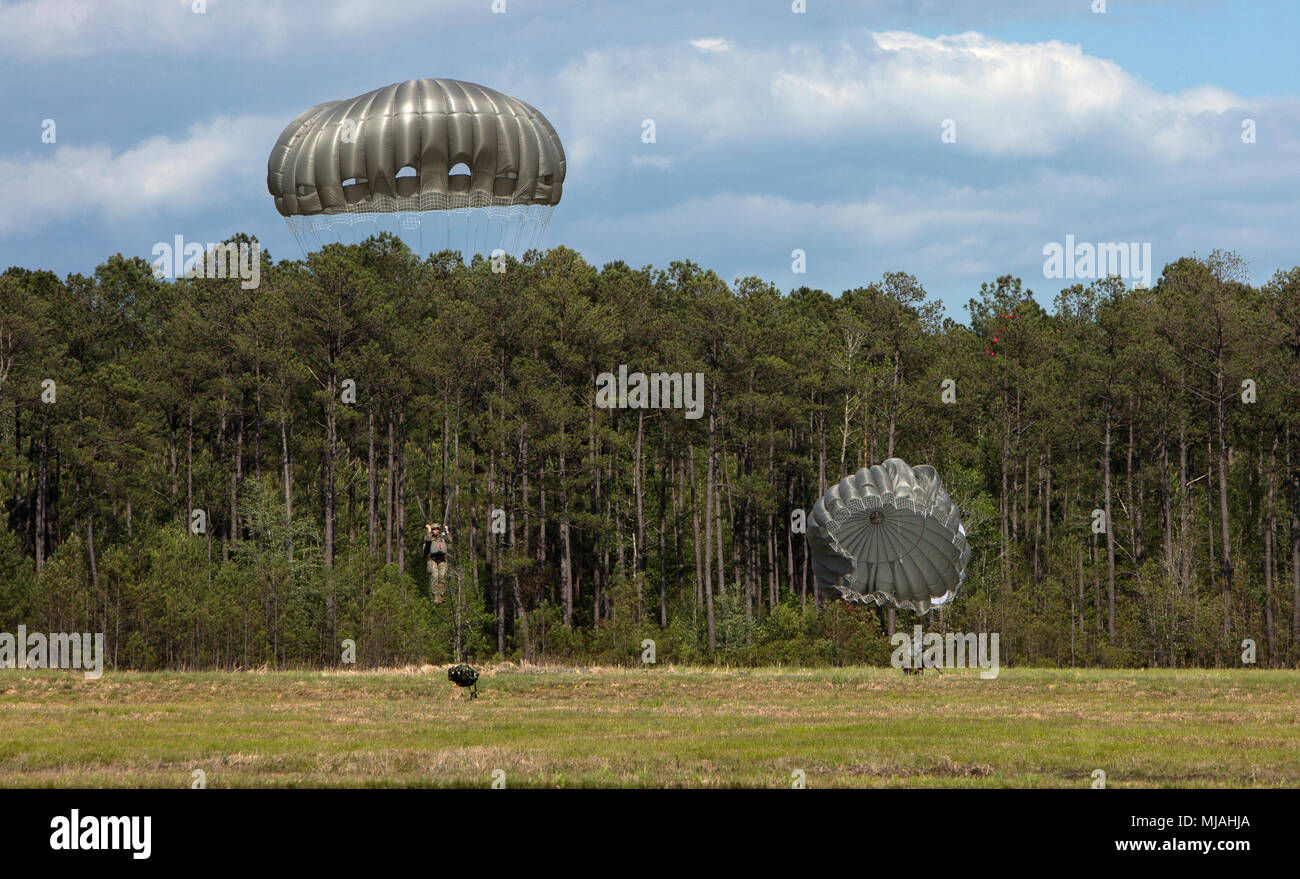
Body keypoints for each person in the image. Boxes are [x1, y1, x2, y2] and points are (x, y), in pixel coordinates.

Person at [424, 522, 450, 603]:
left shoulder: (442, 537)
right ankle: (435, 596)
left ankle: (441, 595)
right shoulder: (429, 536)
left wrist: (447, 531)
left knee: (442, 575)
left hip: (441, 559)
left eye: (437, 529)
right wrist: (428, 530)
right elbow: (427, 540)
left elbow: (449, 540)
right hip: (432, 559)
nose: (435, 531)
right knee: (435, 575)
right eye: (433, 529)